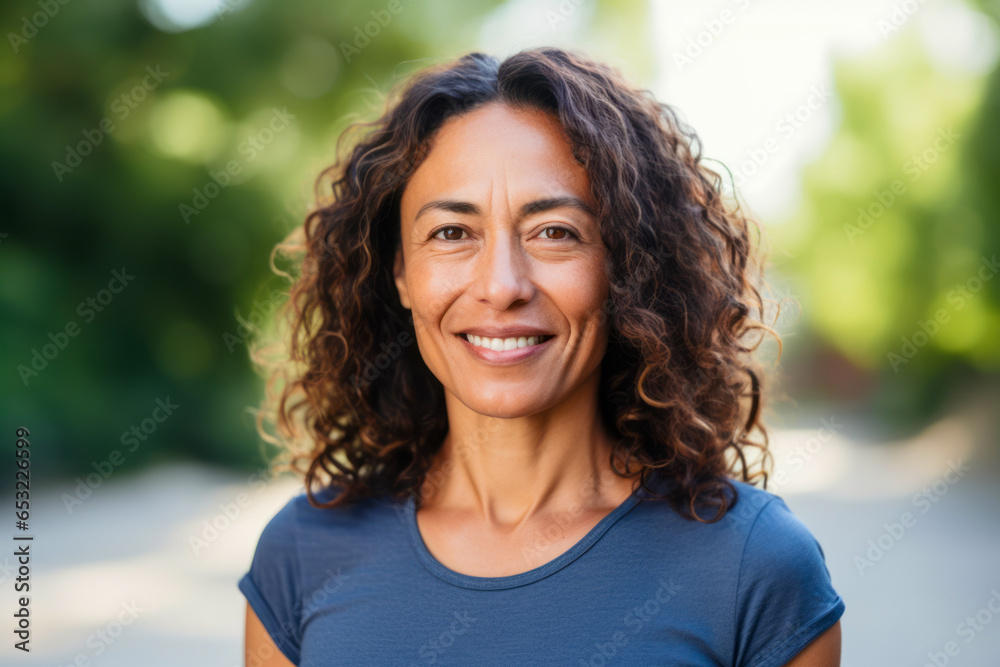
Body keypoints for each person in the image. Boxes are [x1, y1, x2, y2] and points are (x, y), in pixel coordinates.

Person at [238, 46, 844, 666]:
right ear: (400, 272)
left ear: (624, 268)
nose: (502, 285)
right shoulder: (303, 556)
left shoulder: (754, 567)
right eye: (452, 233)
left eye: (555, 232)